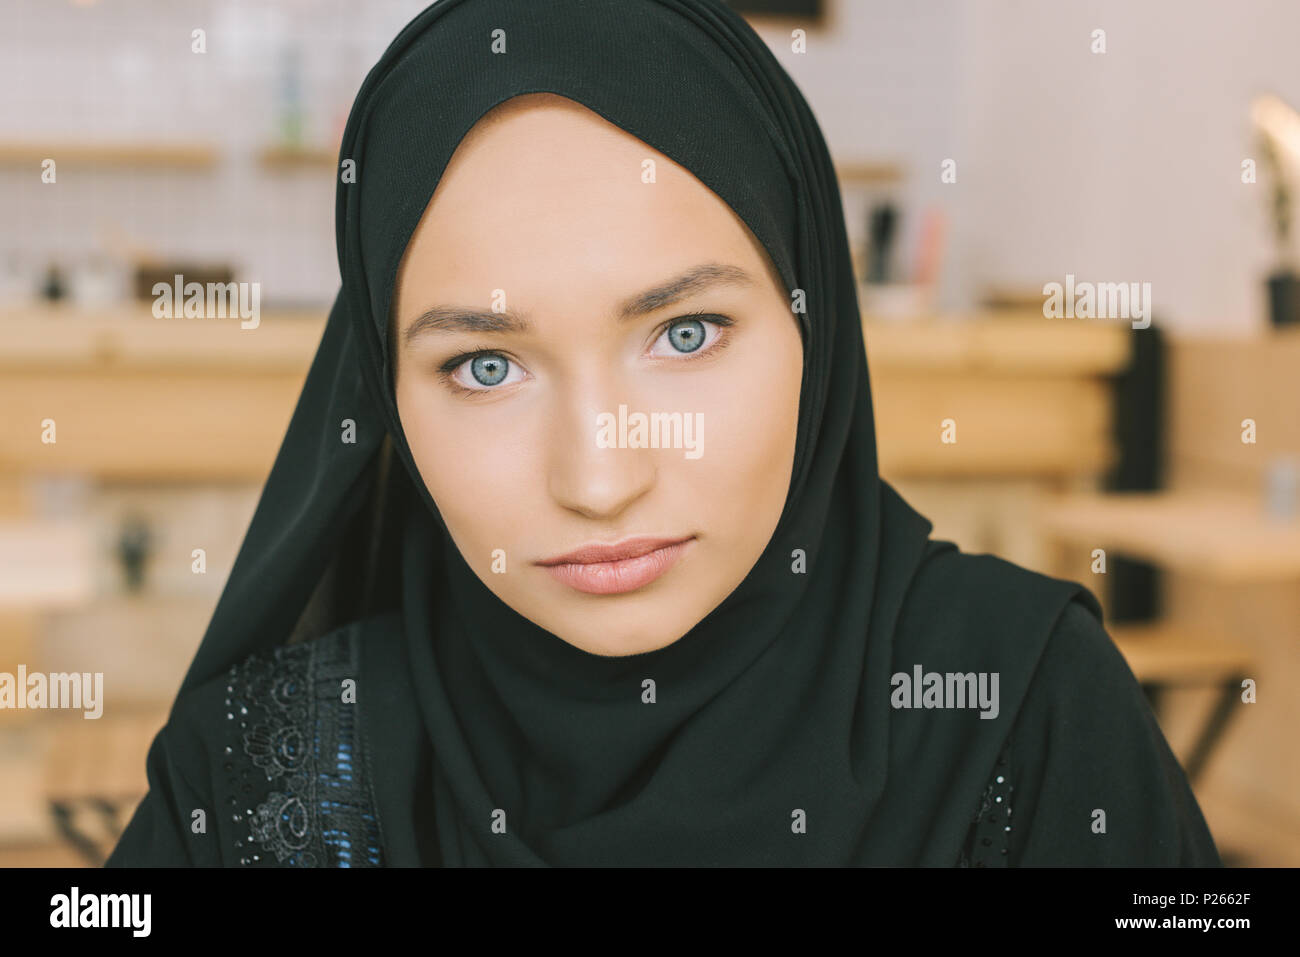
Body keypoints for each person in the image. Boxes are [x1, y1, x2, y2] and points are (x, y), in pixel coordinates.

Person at [105, 0, 1220, 867]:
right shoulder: (263, 775)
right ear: (385, 397)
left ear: (810, 328)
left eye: (685, 333)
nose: (597, 477)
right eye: (484, 366)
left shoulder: (1021, 709)